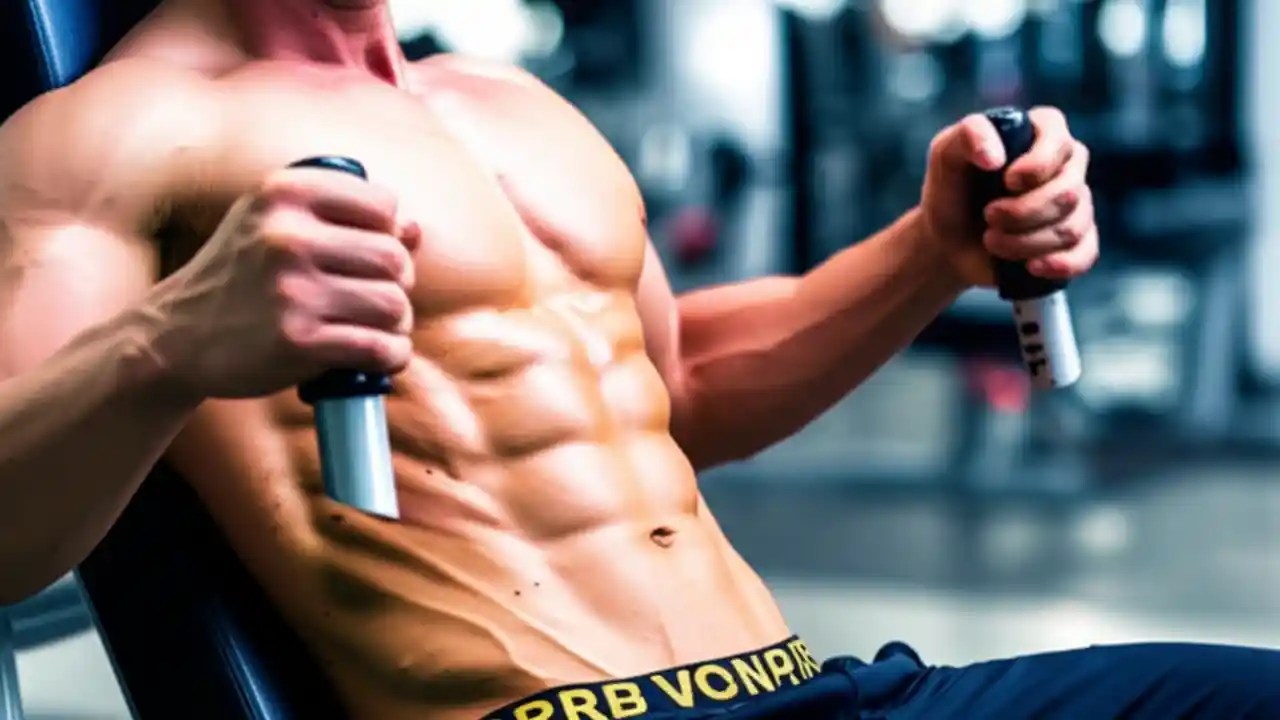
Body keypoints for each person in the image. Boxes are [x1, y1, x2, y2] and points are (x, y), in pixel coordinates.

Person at [0, 0, 1275, 718]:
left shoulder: (508, 105)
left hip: (819, 693)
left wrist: (932, 252)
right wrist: (169, 343)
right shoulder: (120, 132)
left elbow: (682, 393)